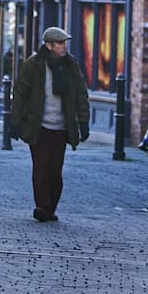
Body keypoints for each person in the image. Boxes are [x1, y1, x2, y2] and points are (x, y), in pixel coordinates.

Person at [10, 26, 90, 221]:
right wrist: (15, 122)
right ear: (49, 45)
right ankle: (42, 206)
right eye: (60, 43)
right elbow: (20, 94)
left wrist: (83, 122)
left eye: (64, 43)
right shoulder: (33, 65)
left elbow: (81, 94)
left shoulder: (70, 65)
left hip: (61, 127)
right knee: (40, 168)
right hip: (39, 126)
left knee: (55, 171)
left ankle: (50, 208)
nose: (64, 47)